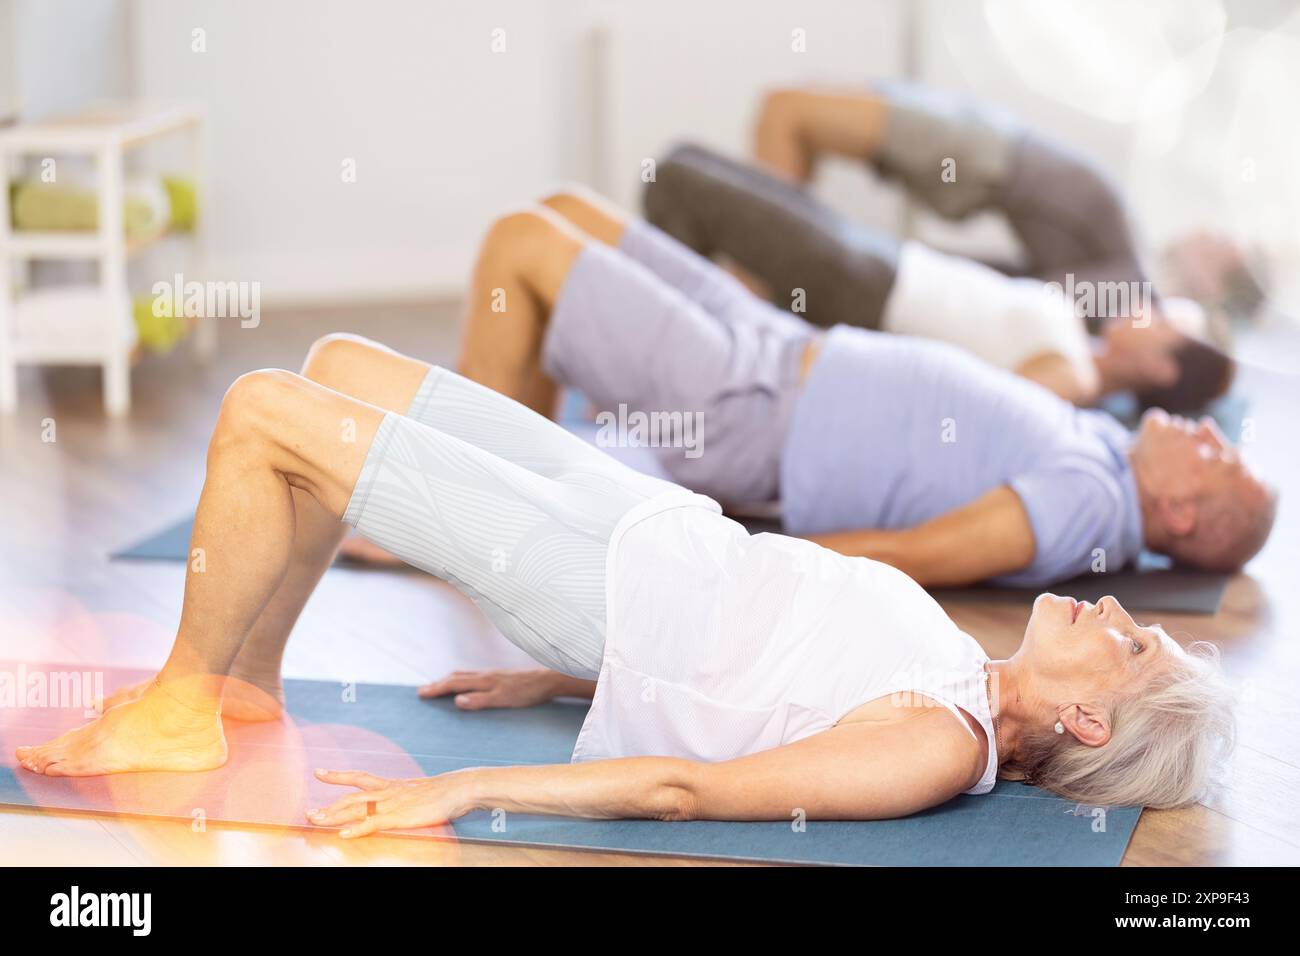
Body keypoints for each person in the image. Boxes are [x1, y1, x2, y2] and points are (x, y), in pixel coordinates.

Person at [14, 334, 1232, 832]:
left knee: (262, 408)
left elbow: (686, 783)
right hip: (639, 519)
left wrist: (472, 785)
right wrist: (558, 679)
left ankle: (182, 699)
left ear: (1086, 719)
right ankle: (246, 681)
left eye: (1129, 645)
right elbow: (774, 662)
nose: (1116, 610)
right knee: (335, 363)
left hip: (593, 577)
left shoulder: (934, 742)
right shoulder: (960, 667)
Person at [454, 189, 1276, 589]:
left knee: (521, 243)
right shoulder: (1105, 450)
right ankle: (515, 483)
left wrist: (725, 571)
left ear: (1179, 515)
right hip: (780, 349)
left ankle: (472, 517)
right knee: (564, 211)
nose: (1211, 434)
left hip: (747, 408)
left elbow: (913, 556)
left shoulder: (1087, 503)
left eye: (1220, 459)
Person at [643, 82, 1250, 412]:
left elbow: (979, 412)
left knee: (677, 179)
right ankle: (673, 358)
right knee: (688, 169)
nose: (1143, 307)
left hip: (865, 287)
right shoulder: (1078, 333)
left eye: (1159, 322)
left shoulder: (1073, 379)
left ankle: (662, 374)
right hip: (883, 257)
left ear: (1160, 367)